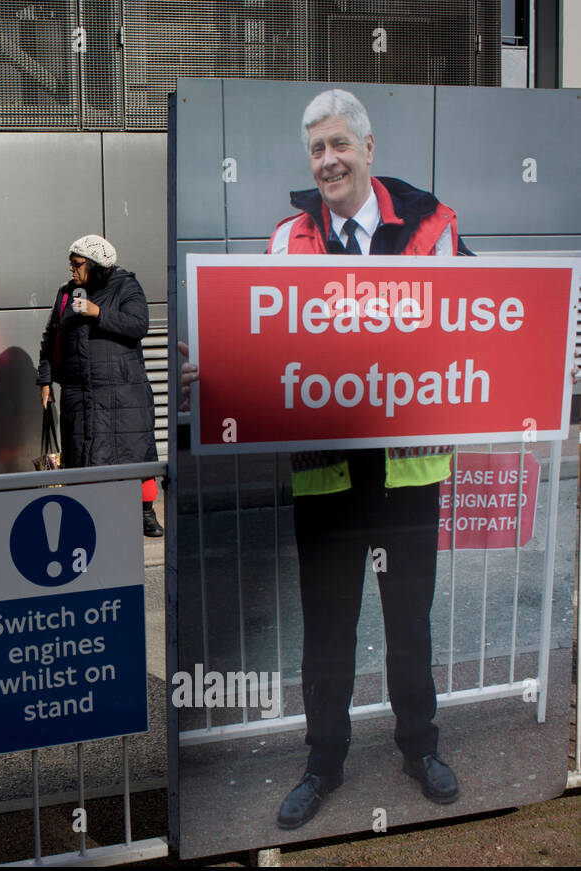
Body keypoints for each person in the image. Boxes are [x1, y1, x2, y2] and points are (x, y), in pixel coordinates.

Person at [179, 88, 468, 829]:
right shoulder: (286, 241)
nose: (329, 160)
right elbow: (261, 339)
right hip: (326, 473)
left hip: (407, 469)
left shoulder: (434, 228)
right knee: (327, 630)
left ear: (369, 149)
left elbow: (482, 319)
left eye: (340, 144)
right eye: (317, 149)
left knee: (410, 626)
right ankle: (323, 763)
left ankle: (419, 747)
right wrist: (215, 366)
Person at [37, 235, 162, 536]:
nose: (71, 269)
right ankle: (89, 518)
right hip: (80, 395)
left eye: (77, 264)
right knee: (84, 458)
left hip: (123, 393)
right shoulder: (66, 294)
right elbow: (51, 338)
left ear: (95, 265)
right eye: (70, 263)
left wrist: (98, 313)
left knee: (134, 455)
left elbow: (138, 325)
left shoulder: (125, 286)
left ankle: (144, 512)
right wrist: (44, 381)